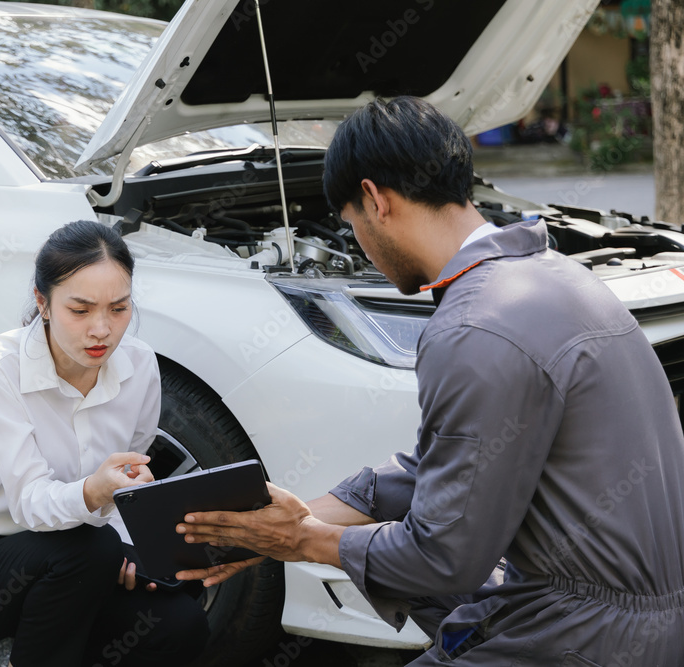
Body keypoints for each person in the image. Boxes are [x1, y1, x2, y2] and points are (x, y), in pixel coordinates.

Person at [176, 96, 684, 665]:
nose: (359, 244)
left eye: (351, 225)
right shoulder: (554, 275)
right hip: (639, 610)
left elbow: (444, 557)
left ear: (375, 200)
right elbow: (454, 468)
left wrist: (300, 540)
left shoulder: (473, 326)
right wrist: (280, 523)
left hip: (590, 633)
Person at [0, 220, 209, 666]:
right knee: (90, 551)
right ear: (43, 302)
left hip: (83, 560)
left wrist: (131, 551)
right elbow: (29, 503)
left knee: (180, 623)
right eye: (81, 310)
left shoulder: (139, 364)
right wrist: (95, 492)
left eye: (118, 309)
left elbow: (129, 488)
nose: (102, 329)